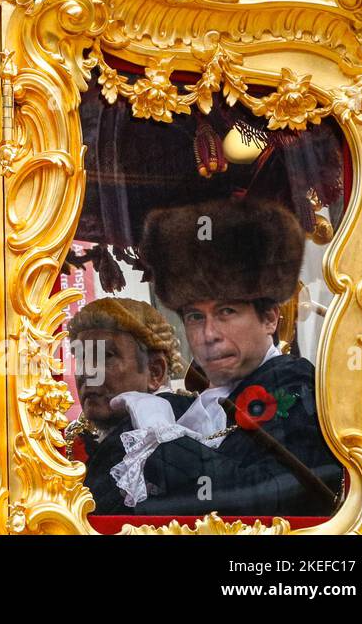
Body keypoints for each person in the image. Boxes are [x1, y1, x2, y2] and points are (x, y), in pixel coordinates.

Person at [118, 197, 343, 516]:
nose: (209, 334)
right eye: (195, 317)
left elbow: (267, 499)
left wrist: (160, 434)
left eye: (226, 311)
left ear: (269, 318)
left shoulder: (293, 384)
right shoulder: (195, 403)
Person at [64, 297, 193, 514]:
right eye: (82, 358)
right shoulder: (82, 441)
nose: (87, 372)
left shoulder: (180, 432)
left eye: (106, 356)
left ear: (155, 372)